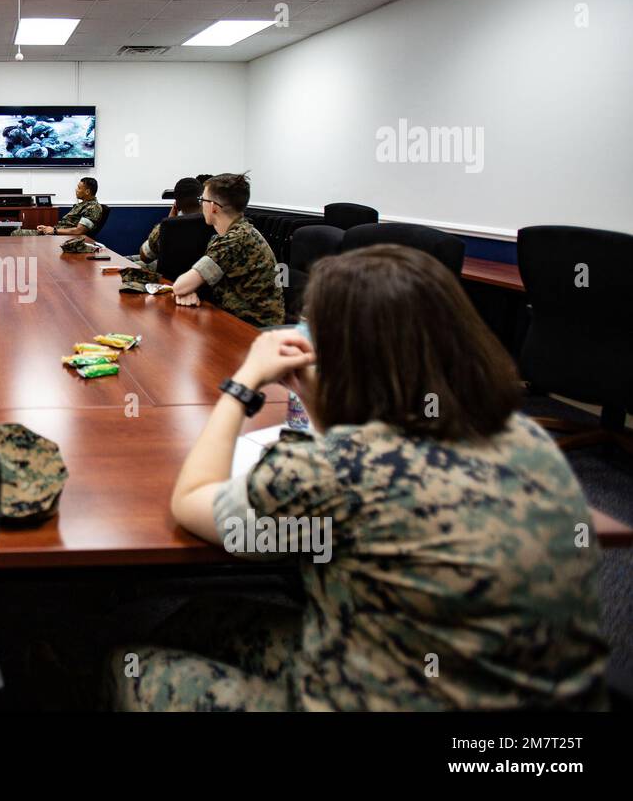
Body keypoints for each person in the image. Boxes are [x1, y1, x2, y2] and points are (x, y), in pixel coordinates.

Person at [112, 245, 607, 710]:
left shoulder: (332, 469)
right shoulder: (526, 436)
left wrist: (241, 386)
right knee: (206, 617)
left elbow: (193, 498)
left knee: (124, 668)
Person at [172, 172, 283, 327]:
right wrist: (190, 290)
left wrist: (187, 288)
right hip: (235, 319)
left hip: (253, 330)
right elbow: (194, 284)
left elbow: (179, 286)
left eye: (202, 200)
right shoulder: (238, 233)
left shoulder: (235, 240)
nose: (200, 204)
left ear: (213, 207)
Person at [135, 177, 202, 270]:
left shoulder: (167, 226)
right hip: (197, 273)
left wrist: (170, 220)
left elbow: (145, 257)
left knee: (126, 265)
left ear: (176, 204)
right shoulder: (214, 225)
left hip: (167, 278)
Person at [12, 177, 103, 237]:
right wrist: (47, 229)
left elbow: (79, 231)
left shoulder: (93, 208)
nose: (76, 190)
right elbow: (68, 225)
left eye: (79, 188)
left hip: (62, 238)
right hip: (57, 234)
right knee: (16, 233)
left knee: (17, 234)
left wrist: (53, 231)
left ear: (87, 191)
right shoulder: (83, 204)